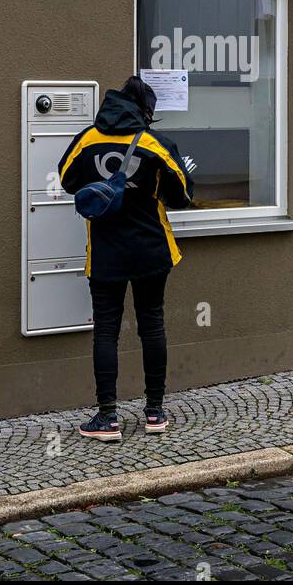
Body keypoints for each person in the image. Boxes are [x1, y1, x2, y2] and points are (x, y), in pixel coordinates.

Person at [58, 76, 194, 442]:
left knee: (106, 330)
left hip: (105, 253)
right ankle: (154, 412)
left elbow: (67, 180)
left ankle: (107, 418)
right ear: (145, 111)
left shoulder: (88, 139)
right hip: (152, 249)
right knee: (152, 325)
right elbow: (182, 193)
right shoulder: (154, 144)